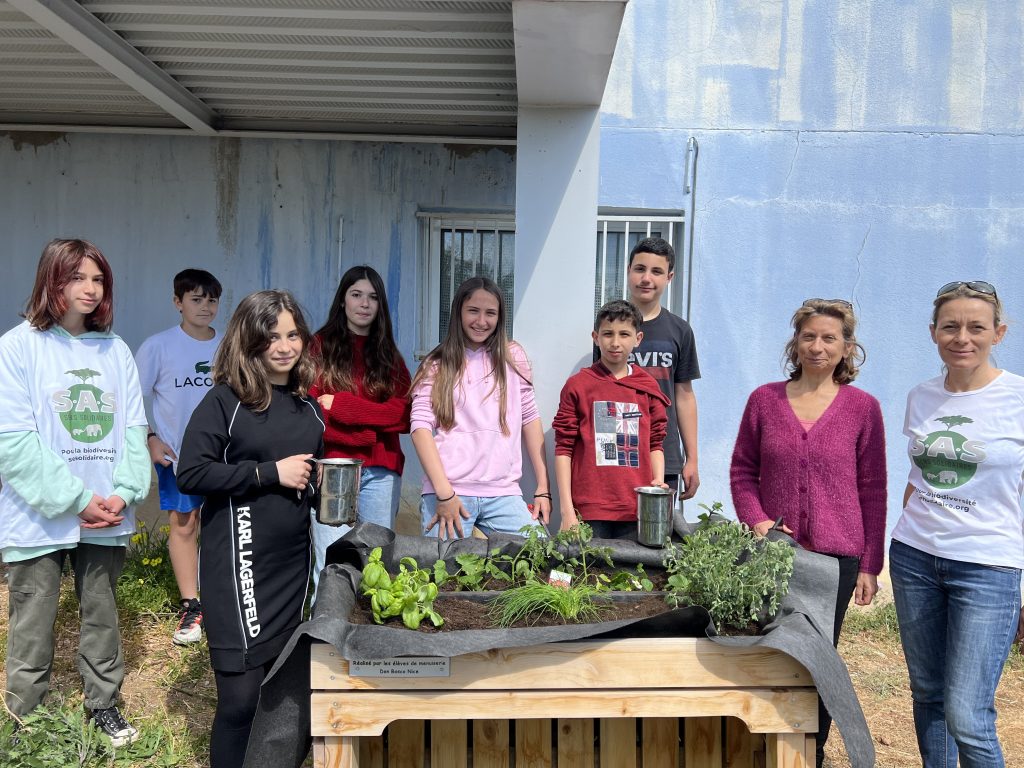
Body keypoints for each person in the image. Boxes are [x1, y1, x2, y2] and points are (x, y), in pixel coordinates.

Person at [0, 239, 150, 746]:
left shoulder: (115, 349)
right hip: (37, 514)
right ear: (52, 280)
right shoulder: (17, 347)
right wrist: (77, 499)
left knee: (102, 613)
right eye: (77, 277)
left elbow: (133, 429)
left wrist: (124, 492)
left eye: (98, 279)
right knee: (32, 618)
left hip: (107, 511)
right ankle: (26, 718)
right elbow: (13, 442)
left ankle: (103, 704)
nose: (90, 289)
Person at [729, 298, 886, 767]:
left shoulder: (863, 408)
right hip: (776, 554)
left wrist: (871, 564)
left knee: (820, 659)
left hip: (837, 560)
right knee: (769, 650)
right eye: (809, 336)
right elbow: (742, 471)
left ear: (847, 348)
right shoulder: (764, 400)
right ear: (795, 343)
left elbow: (873, 489)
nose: (818, 346)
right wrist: (758, 521)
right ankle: (764, 745)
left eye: (829, 338)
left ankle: (809, 752)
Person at [176, 290, 324, 768]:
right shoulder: (225, 401)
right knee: (240, 700)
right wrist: (268, 472)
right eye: (271, 337)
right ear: (249, 340)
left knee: (277, 693)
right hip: (238, 564)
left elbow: (304, 477)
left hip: (290, 568)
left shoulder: (309, 407)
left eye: (292, 335)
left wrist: (323, 486)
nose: (284, 347)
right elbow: (191, 472)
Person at [890, 280, 1022, 768]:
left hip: (988, 567)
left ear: (998, 333)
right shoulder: (921, 396)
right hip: (914, 558)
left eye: (976, 327)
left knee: (968, 715)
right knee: (928, 694)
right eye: (950, 327)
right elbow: (917, 477)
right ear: (933, 333)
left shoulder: (1018, 399)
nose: (962, 337)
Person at [410, 276, 551, 540]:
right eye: (473, 311)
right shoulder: (436, 364)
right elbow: (420, 428)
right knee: (444, 566)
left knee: (542, 554)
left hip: (503, 494)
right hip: (448, 492)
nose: (481, 321)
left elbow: (530, 418)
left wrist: (543, 487)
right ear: (458, 312)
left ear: (500, 317)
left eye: (490, 313)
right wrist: (444, 493)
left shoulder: (513, 357)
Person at [309, 266, 410, 594]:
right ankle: (326, 624)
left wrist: (342, 407)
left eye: (373, 297)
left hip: (380, 472)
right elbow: (310, 414)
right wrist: (368, 435)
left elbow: (405, 414)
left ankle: (369, 625)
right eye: (356, 295)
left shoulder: (388, 354)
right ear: (343, 300)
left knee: (376, 562)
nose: (364, 304)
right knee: (332, 559)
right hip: (334, 467)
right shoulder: (318, 347)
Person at [135, 268, 222, 645]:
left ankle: (223, 598)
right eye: (196, 299)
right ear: (177, 302)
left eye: (212, 300)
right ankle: (192, 604)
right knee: (184, 523)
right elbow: (133, 399)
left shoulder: (229, 346)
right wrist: (150, 439)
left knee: (223, 526)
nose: (205, 307)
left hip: (225, 456)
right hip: (178, 455)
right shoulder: (158, 346)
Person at [554, 299, 670, 537]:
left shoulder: (648, 387)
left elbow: (655, 443)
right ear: (596, 337)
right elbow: (564, 449)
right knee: (578, 562)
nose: (615, 343)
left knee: (635, 564)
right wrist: (567, 511)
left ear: (638, 339)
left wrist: (658, 480)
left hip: (636, 509)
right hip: (589, 510)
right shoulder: (578, 386)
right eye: (608, 334)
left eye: (624, 334)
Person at [622, 237, 701, 499]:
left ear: (669, 277)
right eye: (640, 269)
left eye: (656, 271)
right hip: (619, 452)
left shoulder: (680, 331)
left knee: (659, 525)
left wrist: (692, 458)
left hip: (665, 456)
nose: (646, 278)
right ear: (628, 271)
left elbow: (684, 396)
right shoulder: (610, 329)